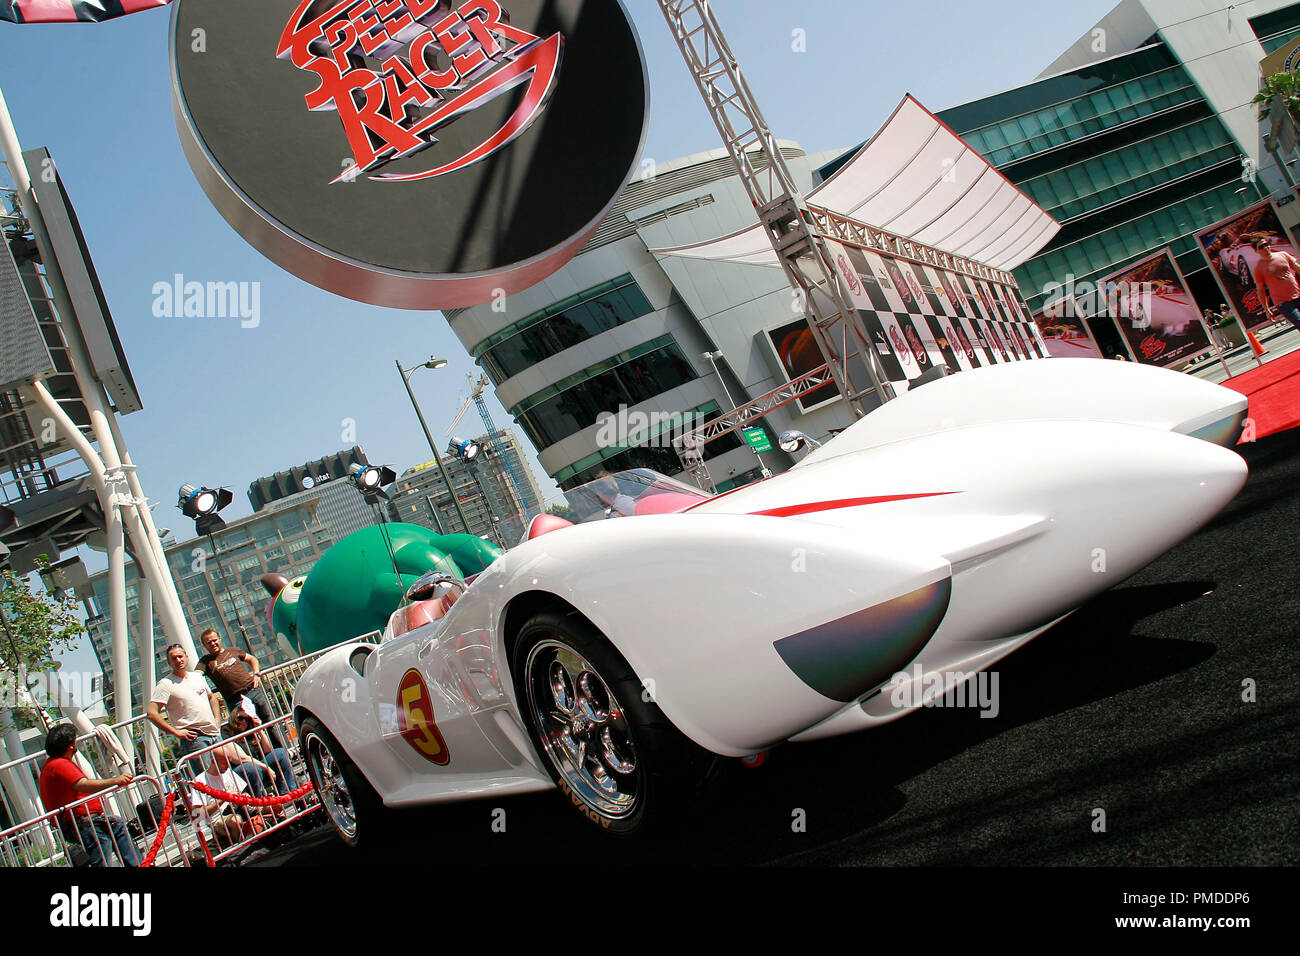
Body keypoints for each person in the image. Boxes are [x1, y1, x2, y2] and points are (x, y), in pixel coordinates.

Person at [37, 724, 141, 868]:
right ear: (70, 745)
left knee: (117, 827)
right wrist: (115, 780)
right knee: (101, 853)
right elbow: (83, 785)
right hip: (85, 823)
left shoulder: (52, 765)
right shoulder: (60, 764)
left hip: (86, 822)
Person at [196, 628, 286, 750]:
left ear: (219, 639)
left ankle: (282, 751)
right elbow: (196, 675)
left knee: (270, 722)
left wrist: (256, 674)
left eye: (214, 640)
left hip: (253, 690)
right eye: (208, 642)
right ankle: (263, 758)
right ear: (204, 645)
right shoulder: (205, 662)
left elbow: (252, 659)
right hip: (235, 700)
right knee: (247, 732)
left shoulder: (232, 651)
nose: (212, 644)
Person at [147, 643, 222, 774]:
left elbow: (212, 698)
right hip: (195, 738)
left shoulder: (197, 677)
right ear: (169, 662)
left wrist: (217, 720)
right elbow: (151, 713)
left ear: (186, 657)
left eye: (180, 656)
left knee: (226, 774)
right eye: (174, 658)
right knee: (207, 779)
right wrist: (175, 731)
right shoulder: (165, 684)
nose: (178, 660)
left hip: (215, 733)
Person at [225, 703, 299, 797]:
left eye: (247, 719)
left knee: (280, 753)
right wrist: (266, 768)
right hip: (241, 771)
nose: (244, 722)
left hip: (258, 766)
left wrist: (259, 728)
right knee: (252, 768)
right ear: (233, 718)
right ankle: (261, 806)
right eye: (240, 719)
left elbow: (268, 750)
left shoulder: (250, 732)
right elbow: (242, 758)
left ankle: (290, 793)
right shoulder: (226, 733)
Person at [1249, 236, 1300, 332]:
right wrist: (1267, 310)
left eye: (1266, 244)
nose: (1265, 248)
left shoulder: (1283, 255)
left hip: (1298, 294)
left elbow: (1297, 268)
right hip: (1283, 303)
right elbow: (1261, 290)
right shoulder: (1258, 268)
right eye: (1261, 247)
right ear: (1256, 251)